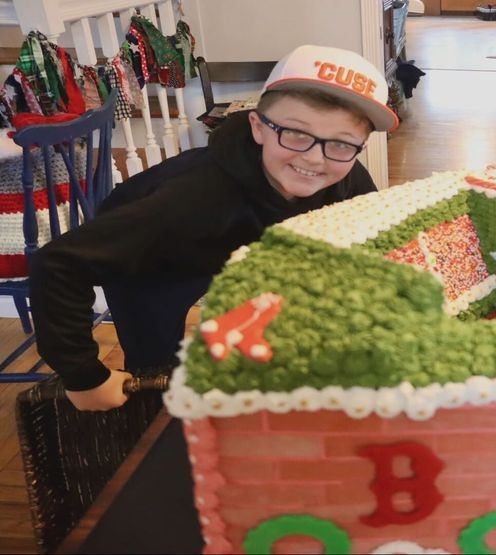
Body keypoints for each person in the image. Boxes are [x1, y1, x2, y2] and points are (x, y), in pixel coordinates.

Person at [30, 45, 399, 412]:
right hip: (160, 260)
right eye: (295, 133)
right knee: (156, 366)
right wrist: (84, 377)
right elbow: (61, 265)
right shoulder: (189, 200)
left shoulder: (346, 178)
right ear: (258, 127)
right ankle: (158, 425)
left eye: (340, 143)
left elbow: (377, 246)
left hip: (253, 243)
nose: (315, 158)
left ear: (359, 146)